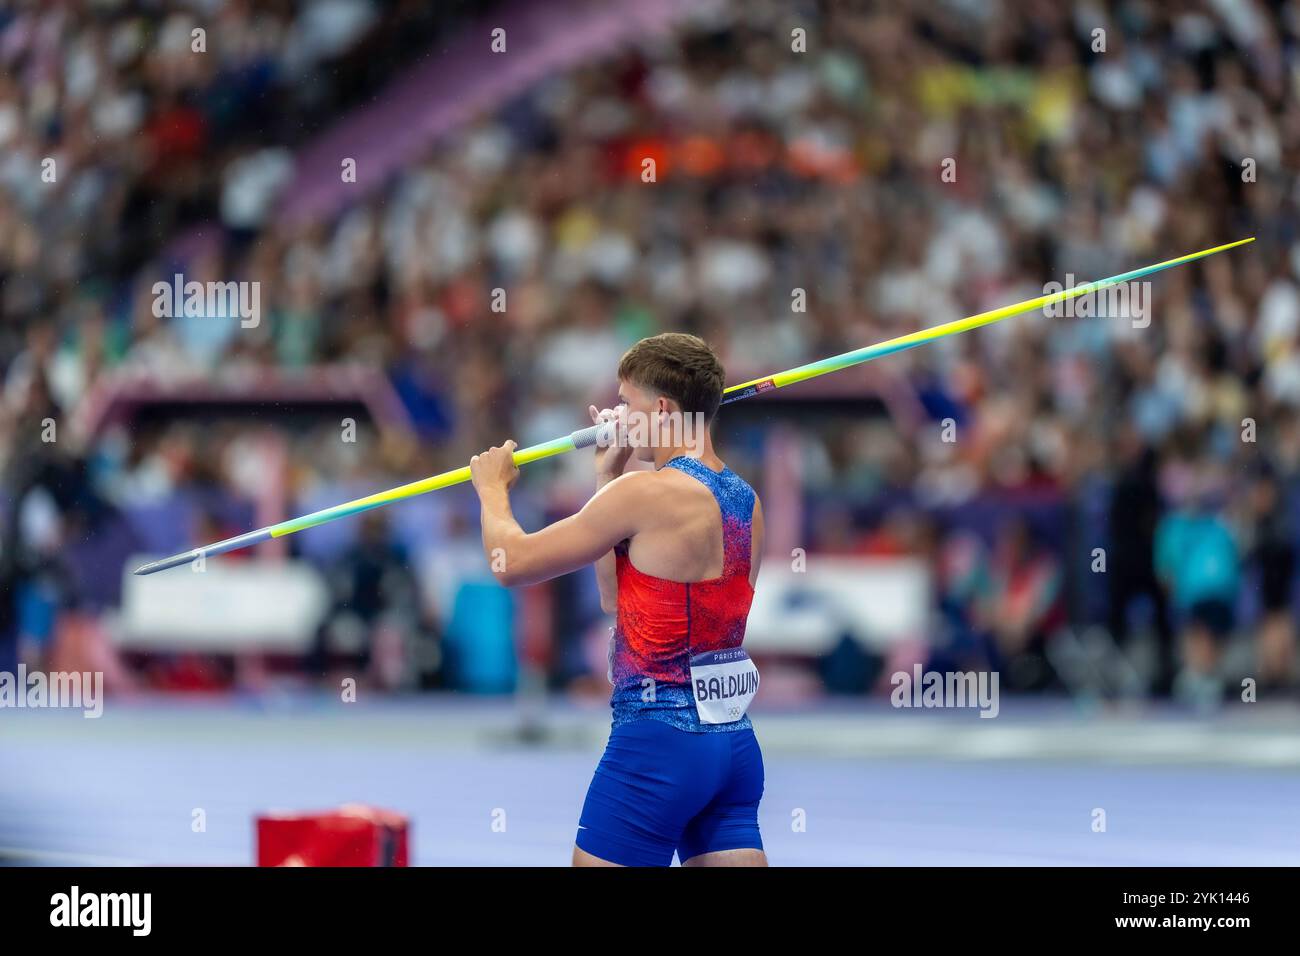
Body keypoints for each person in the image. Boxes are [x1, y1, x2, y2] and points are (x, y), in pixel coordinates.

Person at [468, 333, 767, 867]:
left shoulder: (647, 495)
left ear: (661, 409)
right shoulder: (746, 501)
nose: (618, 415)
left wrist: (492, 491)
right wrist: (608, 475)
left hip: (656, 747)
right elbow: (618, 600)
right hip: (733, 748)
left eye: (626, 402)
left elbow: (509, 564)